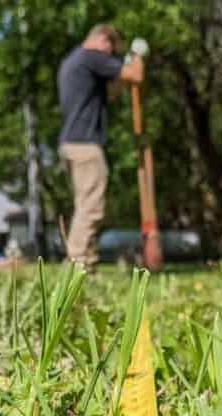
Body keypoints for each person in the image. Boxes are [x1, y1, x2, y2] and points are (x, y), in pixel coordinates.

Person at [58, 24, 144, 267]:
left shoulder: (72, 62)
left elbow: (113, 91)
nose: (110, 54)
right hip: (85, 145)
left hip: (69, 144)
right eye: (110, 48)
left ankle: (88, 264)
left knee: (84, 206)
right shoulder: (92, 57)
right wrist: (137, 56)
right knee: (91, 209)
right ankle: (75, 265)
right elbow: (134, 75)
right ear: (102, 40)